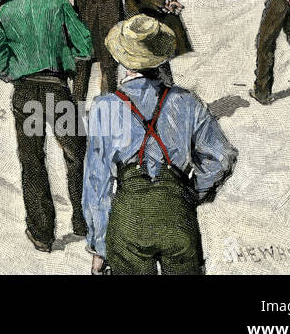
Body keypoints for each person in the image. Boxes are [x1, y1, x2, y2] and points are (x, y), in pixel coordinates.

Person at [83, 14, 237, 274]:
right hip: (177, 217)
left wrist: (99, 246)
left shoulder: (104, 107)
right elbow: (222, 156)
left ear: (124, 60)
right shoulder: (187, 101)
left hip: (129, 221)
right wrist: (193, 191)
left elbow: (97, 183)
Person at [0, 0, 93, 252]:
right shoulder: (58, 4)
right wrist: (65, 61)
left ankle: (42, 234)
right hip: (57, 90)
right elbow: (85, 45)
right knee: (76, 154)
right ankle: (83, 221)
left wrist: (15, 72)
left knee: (32, 162)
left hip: (26, 93)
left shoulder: (5, 13)